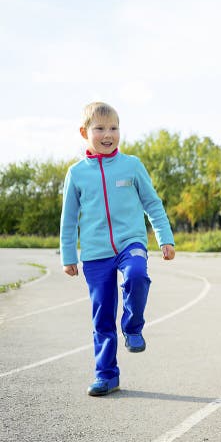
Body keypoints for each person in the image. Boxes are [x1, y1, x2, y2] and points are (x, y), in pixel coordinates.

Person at [60, 102, 176, 397]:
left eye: (114, 128)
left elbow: (152, 203)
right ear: (84, 132)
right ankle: (107, 375)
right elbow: (69, 218)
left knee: (137, 275)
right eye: (100, 129)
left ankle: (133, 326)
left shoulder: (132, 165)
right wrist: (69, 256)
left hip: (130, 243)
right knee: (101, 316)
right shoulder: (76, 174)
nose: (108, 134)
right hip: (96, 254)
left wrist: (165, 237)